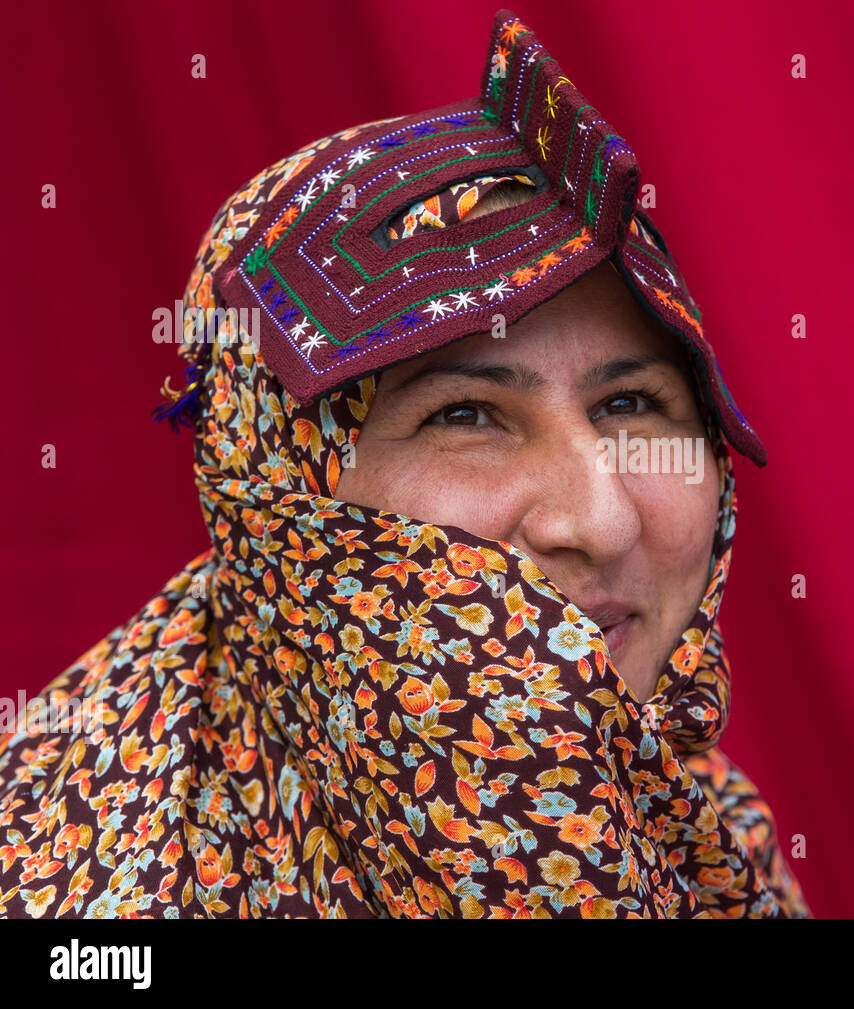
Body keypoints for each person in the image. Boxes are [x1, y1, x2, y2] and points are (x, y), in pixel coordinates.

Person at [0, 8, 809, 919]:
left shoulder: (706, 834)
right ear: (274, 497)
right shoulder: (84, 890)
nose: (602, 521)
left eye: (630, 405)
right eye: (466, 415)